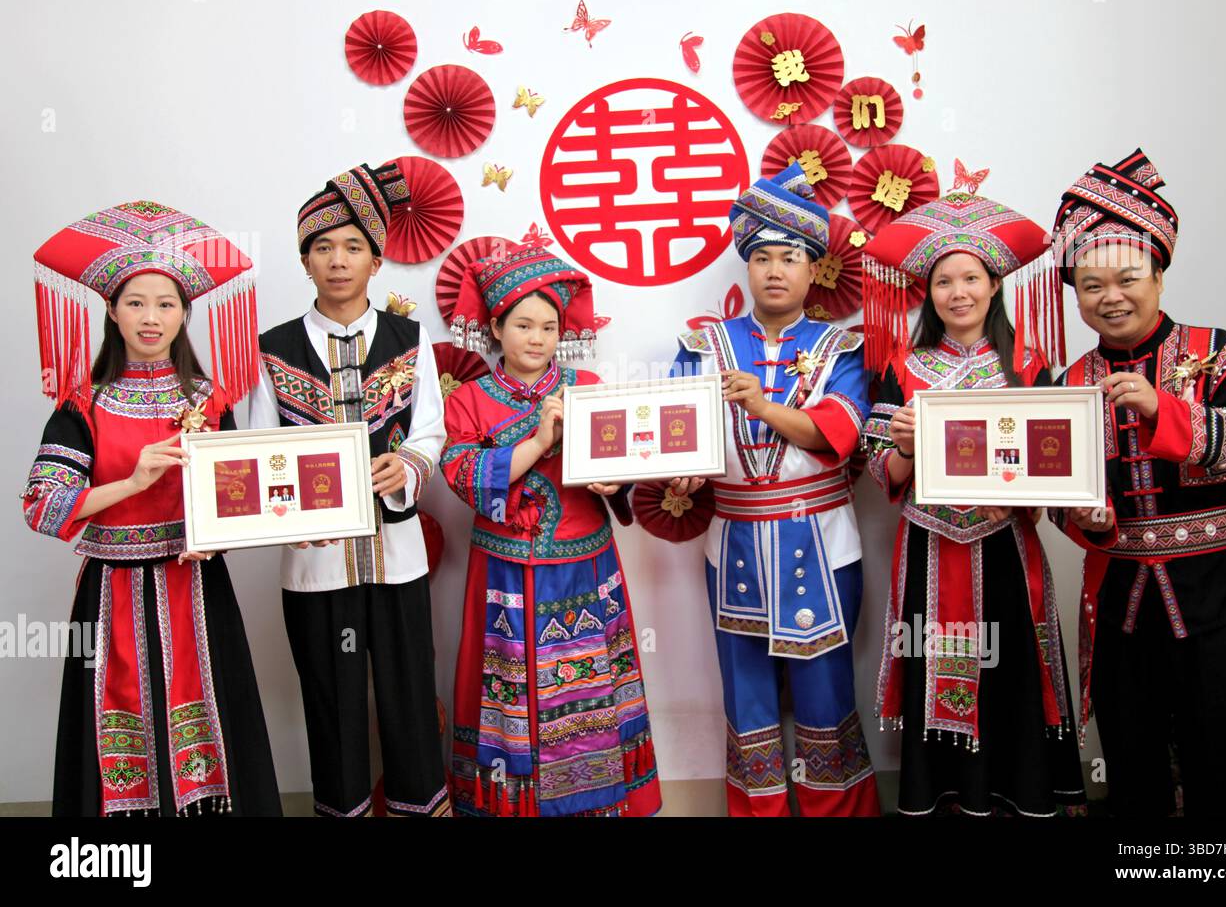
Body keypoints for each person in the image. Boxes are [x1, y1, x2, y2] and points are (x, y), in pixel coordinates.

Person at [23, 199, 279, 816]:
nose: (150, 317)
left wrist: (249, 529)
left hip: (195, 582)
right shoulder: (82, 402)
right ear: (111, 310)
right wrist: (135, 481)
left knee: (212, 719)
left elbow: (237, 496)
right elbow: (41, 505)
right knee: (118, 729)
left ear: (184, 314)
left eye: (166, 304)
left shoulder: (208, 398)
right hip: (110, 590)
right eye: (135, 302)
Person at [1050, 148, 1226, 816]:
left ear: (1158, 272)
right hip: (1121, 598)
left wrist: (1163, 409)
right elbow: (1062, 493)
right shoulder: (1067, 386)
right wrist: (1084, 522)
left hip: (1215, 595)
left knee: (1223, 757)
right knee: (1130, 758)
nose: (1110, 297)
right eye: (1091, 286)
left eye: (1126, 278)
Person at [860, 188, 1086, 816]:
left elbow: (1052, 469)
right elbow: (881, 468)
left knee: (1010, 673)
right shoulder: (901, 366)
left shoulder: (1031, 365)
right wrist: (904, 446)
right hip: (929, 546)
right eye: (942, 281)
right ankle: (946, 799)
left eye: (971, 278)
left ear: (994, 286)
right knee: (934, 664)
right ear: (926, 293)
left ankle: (1023, 796)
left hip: (1007, 548)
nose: (957, 292)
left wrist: (1029, 493)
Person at [667, 163, 879, 817]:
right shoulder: (699, 346)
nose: (775, 269)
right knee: (747, 697)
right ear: (746, 268)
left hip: (821, 538)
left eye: (790, 257)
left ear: (814, 269)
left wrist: (760, 405)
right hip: (729, 542)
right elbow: (677, 432)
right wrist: (681, 467)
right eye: (761, 257)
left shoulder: (844, 347)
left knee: (825, 694)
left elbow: (836, 434)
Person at [249, 161, 449, 817]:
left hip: (398, 555)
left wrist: (408, 469)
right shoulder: (270, 350)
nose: (338, 260)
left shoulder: (410, 340)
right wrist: (282, 512)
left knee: (409, 693)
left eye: (353, 247)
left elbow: (429, 433)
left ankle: (421, 806)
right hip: (315, 560)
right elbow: (257, 453)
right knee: (329, 699)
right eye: (323, 248)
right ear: (304, 261)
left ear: (376, 261)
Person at [440, 241, 661, 816]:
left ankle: (597, 801)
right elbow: (463, 478)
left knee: (592, 693)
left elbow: (622, 461)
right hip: (506, 573)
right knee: (510, 691)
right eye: (522, 324)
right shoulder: (467, 400)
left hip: (586, 565)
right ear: (495, 326)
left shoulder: (586, 385)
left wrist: (616, 482)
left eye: (548, 326)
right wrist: (539, 439)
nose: (537, 338)